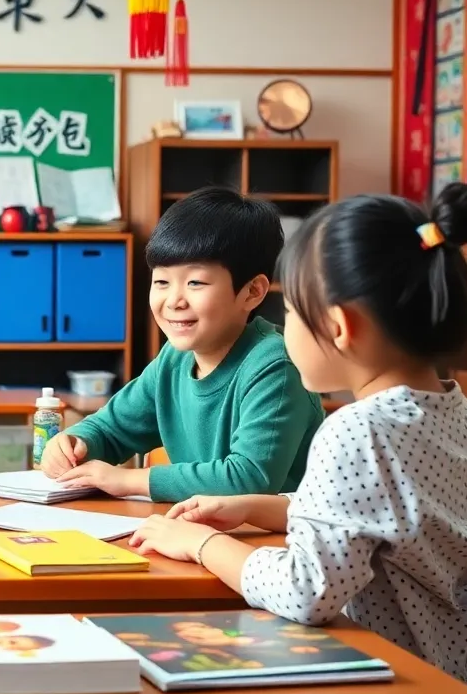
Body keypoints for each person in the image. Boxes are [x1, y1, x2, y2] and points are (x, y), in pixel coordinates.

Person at [130, 182, 467, 683]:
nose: (282, 329)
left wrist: (198, 543)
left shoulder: (356, 429)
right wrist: (260, 506)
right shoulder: (450, 407)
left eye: (288, 313)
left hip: (380, 676)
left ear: (337, 327)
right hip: (449, 669)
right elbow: (385, 516)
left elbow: (305, 592)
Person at [40, 186, 322, 502]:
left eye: (195, 283)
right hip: (194, 533)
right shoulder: (174, 359)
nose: (173, 300)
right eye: (161, 281)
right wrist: (74, 442)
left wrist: (130, 480)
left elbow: (250, 478)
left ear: (253, 291)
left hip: (272, 544)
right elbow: (112, 429)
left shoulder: (275, 364)